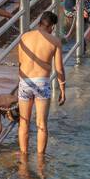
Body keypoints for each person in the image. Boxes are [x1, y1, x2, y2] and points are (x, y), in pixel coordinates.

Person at [17, 11, 64, 156]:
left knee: (24, 122)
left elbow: (20, 61)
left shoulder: (24, 37)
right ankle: (40, 159)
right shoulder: (54, 41)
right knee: (41, 124)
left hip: (25, 82)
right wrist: (63, 88)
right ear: (51, 26)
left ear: (39, 22)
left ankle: (24, 156)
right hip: (42, 82)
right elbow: (59, 68)